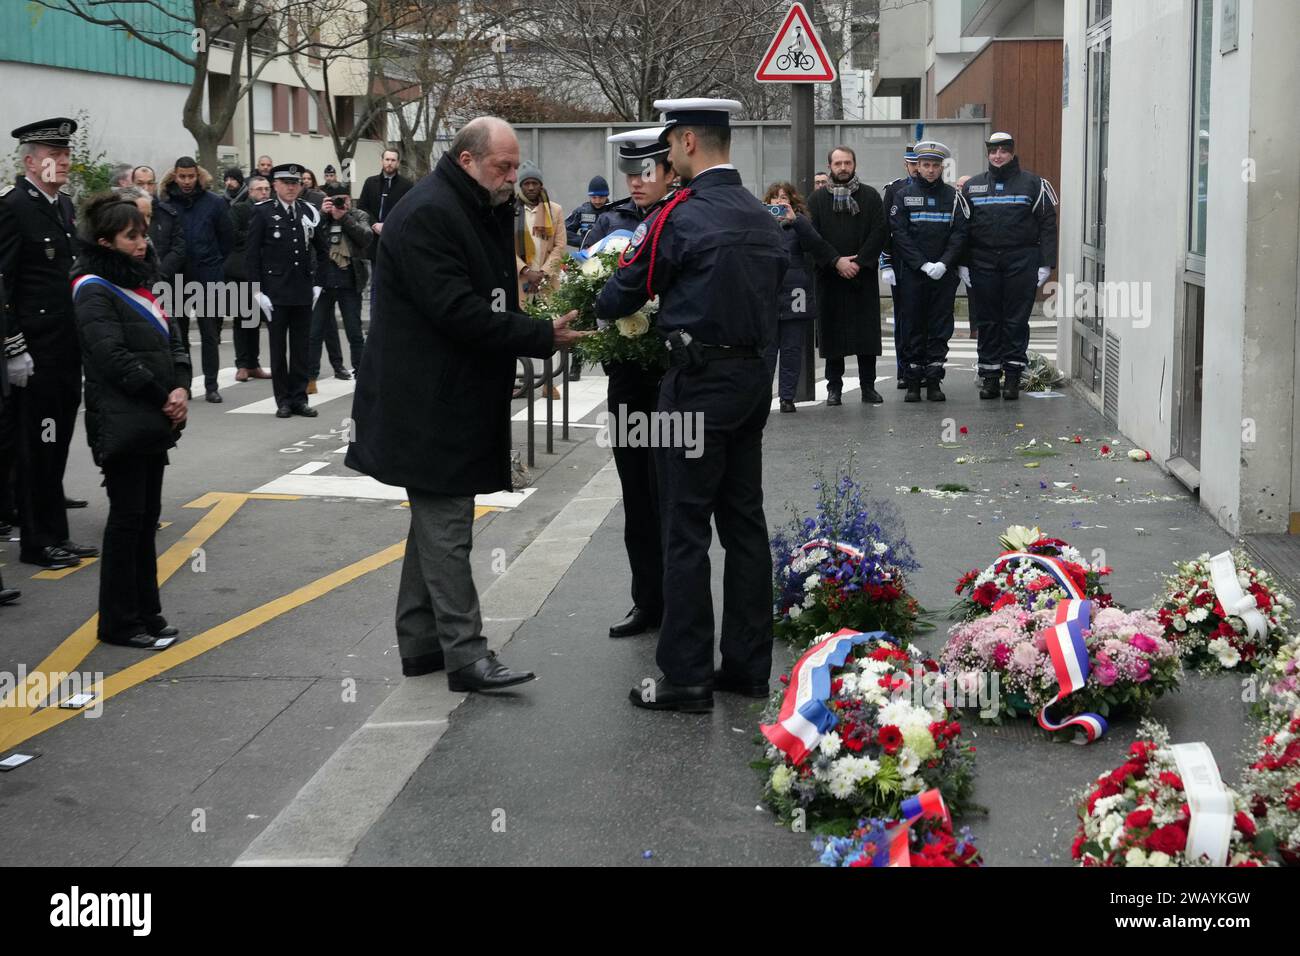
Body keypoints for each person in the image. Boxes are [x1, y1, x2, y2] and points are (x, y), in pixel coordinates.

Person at [345, 116, 587, 692]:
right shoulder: (432, 212)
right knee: (448, 523)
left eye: (514, 166)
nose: (513, 177)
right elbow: (457, 310)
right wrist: (536, 335)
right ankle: (466, 656)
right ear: (466, 160)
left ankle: (423, 644)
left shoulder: (465, 204)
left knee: (435, 522)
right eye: (503, 167)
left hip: (442, 392)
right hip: (428, 400)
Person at [595, 98, 787, 713]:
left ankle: (685, 676)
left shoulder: (679, 215)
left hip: (696, 386)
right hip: (752, 380)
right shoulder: (763, 216)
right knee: (745, 524)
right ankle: (748, 667)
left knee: (683, 528)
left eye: (669, 144)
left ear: (685, 143)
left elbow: (623, 290)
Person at [71, 194, 190, 649]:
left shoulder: (144, 282)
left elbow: (174, 340)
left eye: (143, 234)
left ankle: (148, 612)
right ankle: (119, 621)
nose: (143, 243)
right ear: (106, 242)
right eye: (131, 237)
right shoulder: (91, 287)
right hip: (122, 419)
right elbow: (111, 356)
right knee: (127, 520)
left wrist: (181, 386)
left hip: (155, 416)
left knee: (147, 519)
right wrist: (163, 396)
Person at [587, 127, 675, 640]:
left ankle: (679, 599)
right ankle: (647, 601)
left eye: (645, 172)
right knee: (636, 497)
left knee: (673, 497)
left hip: (670, 374)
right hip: (627, 375)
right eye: (630, 174)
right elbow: (589, 284)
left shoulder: (680, 215)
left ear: (666, 170)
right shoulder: (610, 220)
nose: (636, 182)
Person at [0, 117, 100, 569]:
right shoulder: (13, 206)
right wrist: (13, 346)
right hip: (34, 351)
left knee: (56, 443)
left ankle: (56, 533)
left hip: (63, 347)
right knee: (36, 446)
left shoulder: (62, 206)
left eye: (65, 155)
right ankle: (37, 542)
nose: (62, 163)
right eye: (52, 156)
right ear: (30, 161)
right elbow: (3, 282)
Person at [960, 131, 1057, 400]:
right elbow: (962, 229)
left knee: (1015, 321)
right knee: (988, 320)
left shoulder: (1034, 184)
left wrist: (1047, 264)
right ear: (988, 154)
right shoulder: (973, 186)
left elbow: (1048, 225)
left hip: (1021, 260)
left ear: (1012, 152)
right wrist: (962, 264)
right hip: (982, 261)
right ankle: (990, 377)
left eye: (1003, 151)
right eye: (993, 151)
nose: (998, 156)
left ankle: (1012, 377)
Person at [887, 141, 968, 403]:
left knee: (939, 326)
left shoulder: (953, 197)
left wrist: (944, 263)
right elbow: (899, 233)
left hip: (943, 275)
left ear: (942, 167)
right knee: (912, 325)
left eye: (935, 165)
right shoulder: (902, 195)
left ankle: (934, 380)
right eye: (925, 165)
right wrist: (922, 264)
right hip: (913, 273)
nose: (930, 170)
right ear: (917, 167)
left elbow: (959, 234)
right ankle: (912, 381)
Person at [246, 163, 328, 419]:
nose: (291, 187)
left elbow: (323, 250)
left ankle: (299, 398)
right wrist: (257, 291)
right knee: (279, 349)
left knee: (301, 348)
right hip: (276, 292)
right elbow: (251, 256)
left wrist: (318, 283)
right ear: (275, 185)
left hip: (302, 290)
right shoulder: (263, 213)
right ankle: (282, 400)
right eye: (286, 183)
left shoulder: (307, 211)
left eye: (295, 183)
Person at [807, 144, 886, 405]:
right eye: (838, 163)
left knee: (866, 336)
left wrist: (859, 263)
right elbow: (811, 237)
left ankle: (868, 387)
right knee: (833, 336)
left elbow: (879, 233)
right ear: (830, 166)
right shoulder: (816, 200)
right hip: (830, 277)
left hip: (861, 277)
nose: (843, 168)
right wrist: (836, 261)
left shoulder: (871, 197)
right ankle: (834, 388)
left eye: (847, 163)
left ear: (854, 165)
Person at [161, 156, 233, 404]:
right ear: (175, 176)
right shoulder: (166, 204)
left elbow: (227, 239)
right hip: (177, 277)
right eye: (182, 176)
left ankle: (211, 385)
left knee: (209, 334)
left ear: (198, 175)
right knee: (179, 335)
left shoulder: (214, 203)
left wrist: (213, 263)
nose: (187, 181)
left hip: (208, 275)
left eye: (191, 176)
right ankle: (185, 384)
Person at [763, 181, 828, 413]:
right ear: (767, 202)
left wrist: (796, 221)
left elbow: (816, 245)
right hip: (769, 296)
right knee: (767, 352)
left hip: (796, 294)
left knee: (792, 350)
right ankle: (762, 398)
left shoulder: (801, 223)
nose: (780, 202)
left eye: (784, 198)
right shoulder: (762, 223)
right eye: (775, 198)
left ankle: (787, 398)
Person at [307, 191, 370, 392]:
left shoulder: (358, 215)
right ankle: (310, 378)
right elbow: (308, 239)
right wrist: (323, 215)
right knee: (315, 332)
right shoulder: (320, 217)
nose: (339, 203)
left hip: (349, 281)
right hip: (323, 281)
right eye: (335, 200)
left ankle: (361, 376)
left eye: (343, 199)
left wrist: (344, 217)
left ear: (350, 200)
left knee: (354, 331)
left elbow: (366, 238)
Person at [225, 175, 273, 382]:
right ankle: (242, 364)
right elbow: (234, 236)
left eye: (267, 188)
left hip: (265, 271)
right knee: (242, 319)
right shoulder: (239, 209)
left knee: (256, 320)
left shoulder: (273, 210)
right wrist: (259, 237)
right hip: (241, 271)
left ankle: (254, 363)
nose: (264, 192)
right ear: (251, 192)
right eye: (260, 189)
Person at [879, 144, 917, 388]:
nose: (916, 169)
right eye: (912, 164)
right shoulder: (895, 189)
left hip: (927, 263)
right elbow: (886, 229)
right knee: (904, 319)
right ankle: (904, 369)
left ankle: (924, 367)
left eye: (919, 163)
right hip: (902, 263)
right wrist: (886, 263)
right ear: (906, 165)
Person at [358, 148, 413, 259]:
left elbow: (408, 211)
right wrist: (374, 224)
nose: (389, 163)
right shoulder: (370, 182)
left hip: (395, 238)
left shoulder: (407, 185)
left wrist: (387, 226)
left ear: (397, 163)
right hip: (372, 239)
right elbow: (362, 207)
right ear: (381, 161)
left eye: (393, 160)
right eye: (387, 159)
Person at [564, 175, 611, 248]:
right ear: (589, 196)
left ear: (607, 196)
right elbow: (563, 232)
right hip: (586, 255)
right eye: (594, 197)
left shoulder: (615, 211)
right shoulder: (581, 211)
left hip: (610, 255)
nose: (597, 201)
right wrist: (584, 241)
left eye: (601, 197)